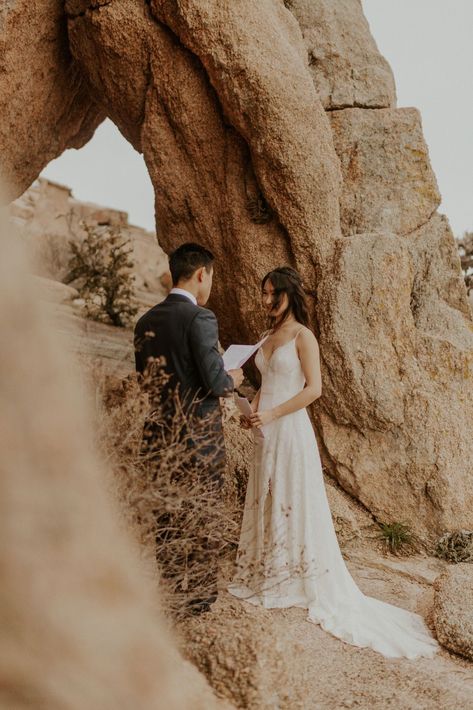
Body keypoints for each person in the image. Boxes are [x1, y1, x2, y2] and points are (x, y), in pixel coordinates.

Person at [228, 266, 438, 659]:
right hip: (265, 432)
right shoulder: (266, 337)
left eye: (273, 293)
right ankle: (266, 571)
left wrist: (272, 414)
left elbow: (314, 389)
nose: (266, 300)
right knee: (267, 497)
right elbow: (265, 386)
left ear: (290, 293)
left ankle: (290, 578)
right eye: (264, 293)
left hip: (290, 430)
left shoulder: (303, 337)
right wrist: (251, 408)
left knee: (292, 498)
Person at [134, 242, 243, 615]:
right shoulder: (201, 319)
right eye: (210, 277)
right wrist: (234, 376)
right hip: (198, 443)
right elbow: (216, 383)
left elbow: (145, 381)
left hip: (157, 438)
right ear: (201, 274)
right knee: (201, 516)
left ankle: (167, 593)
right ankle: (198, 599)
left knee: (166, 517)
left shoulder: (146, 321)